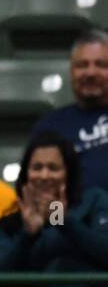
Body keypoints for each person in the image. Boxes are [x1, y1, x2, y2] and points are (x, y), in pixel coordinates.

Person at [0, 132, 108, 287]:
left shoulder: (93, 200)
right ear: (26, 174)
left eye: (53, 168)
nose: (44, 175)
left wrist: (64, 221)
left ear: (68, 173)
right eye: (37, 167)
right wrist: (28, 235)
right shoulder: (13, 221)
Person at [32, 30, 108, 192]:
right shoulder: (49, 128)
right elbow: (48, 200)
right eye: (82, 65)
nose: (90, 73)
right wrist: (56, 218)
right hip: (70, 216)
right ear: (71, 72)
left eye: (101, 65)